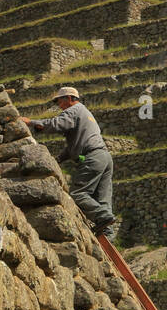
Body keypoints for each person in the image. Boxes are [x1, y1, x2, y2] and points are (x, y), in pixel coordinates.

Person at [27, 87, 117, 238]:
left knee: (78, 193)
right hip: (104, 157)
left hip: (92, 157)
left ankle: (103, 217)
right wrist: (58, 160)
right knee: (102, 199)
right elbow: (73, 147)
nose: (59, 105)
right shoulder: (85, 113)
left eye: (60, 101)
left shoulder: (73, 110)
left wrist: (32, 122)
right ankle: (107, 233)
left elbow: (56, 124)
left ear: (69, 98)